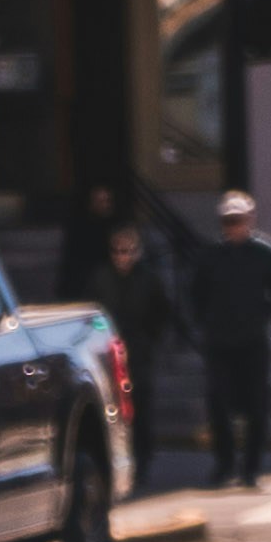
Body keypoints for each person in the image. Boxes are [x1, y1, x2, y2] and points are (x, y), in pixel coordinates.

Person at [77, 199, 175, 499]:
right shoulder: (100, 279)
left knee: (141, 411)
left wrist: (150, 341)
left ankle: (143, 463)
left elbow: (162, 313)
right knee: (115, 412)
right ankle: (120, 464)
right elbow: (91, 315)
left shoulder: (149, 279)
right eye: (118, 251)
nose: (123, 257)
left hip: (139, 353)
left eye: (128, 250)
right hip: (109, 354)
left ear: (137, 251)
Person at [192, 189, 271, 490]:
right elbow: (195, 293)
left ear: (250, 220)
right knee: (220, 403)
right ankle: (224, 465)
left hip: (252, 341)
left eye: (238, 220)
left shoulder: (264, 253)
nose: (233, 227)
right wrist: (205, 321)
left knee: (257, 407)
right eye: (228, 221)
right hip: (220, 342)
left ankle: (251, 469)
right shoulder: (211, 256)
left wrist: (266, 313)